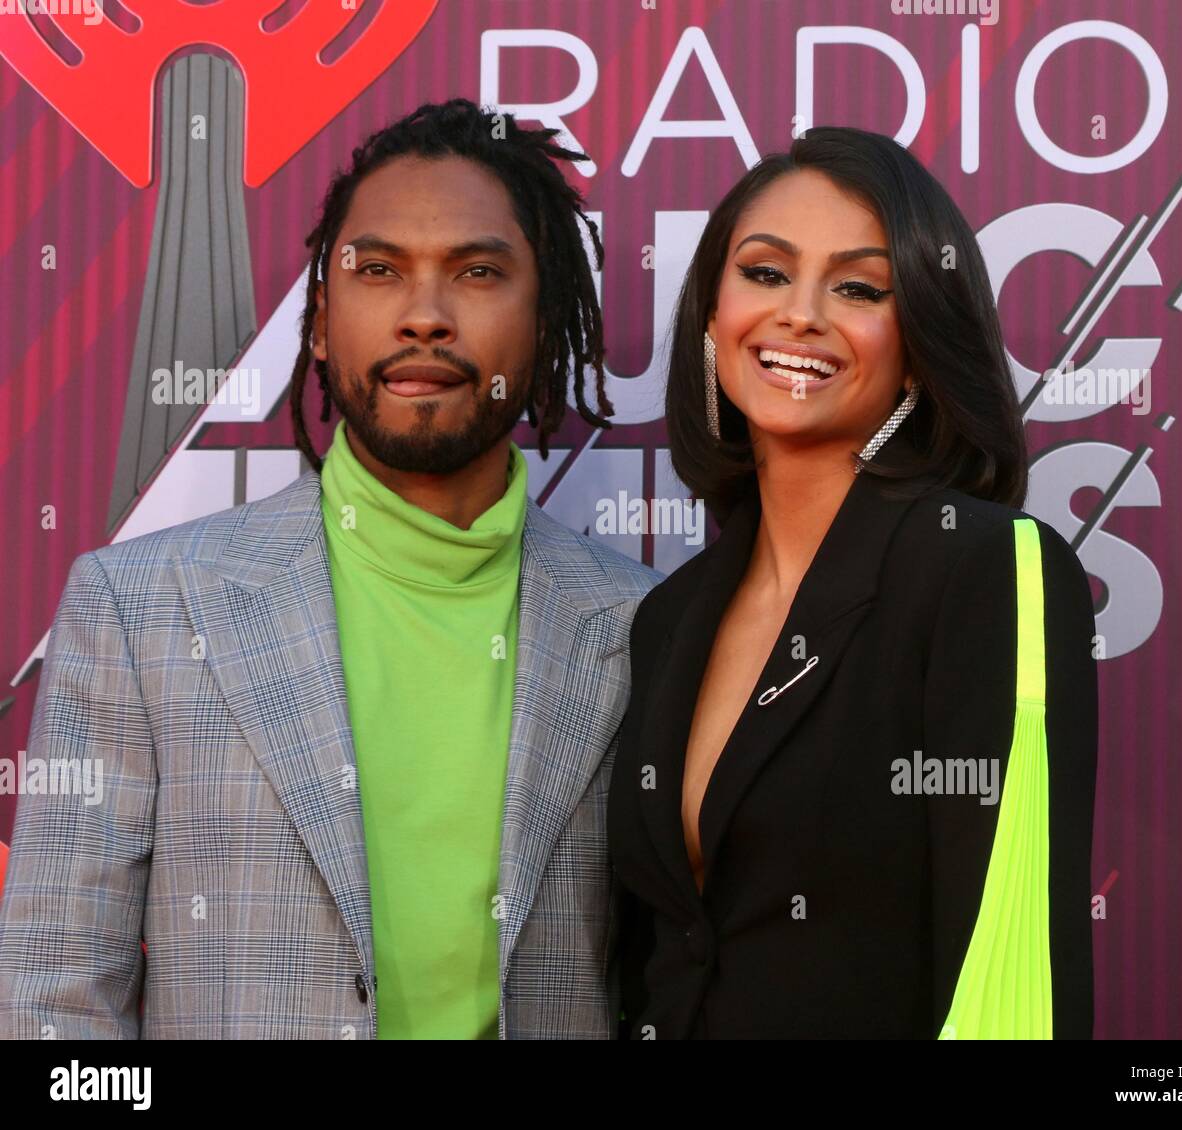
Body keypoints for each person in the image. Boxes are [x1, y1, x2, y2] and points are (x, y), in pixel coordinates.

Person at [0, 100, 660, 1040]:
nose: (424, 315)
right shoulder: (141, 609)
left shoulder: (642, 626)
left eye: (477, 273)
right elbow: (49, 1003)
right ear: (317, 321)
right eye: (377, 270)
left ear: (546, 320)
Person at [609, 128, 1098, 1039]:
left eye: (859, 288)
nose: (800, 313)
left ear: (916, 343)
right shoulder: (667, 619)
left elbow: (1013, 982)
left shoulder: (989, 571)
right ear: (712, 320)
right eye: (764, 273)